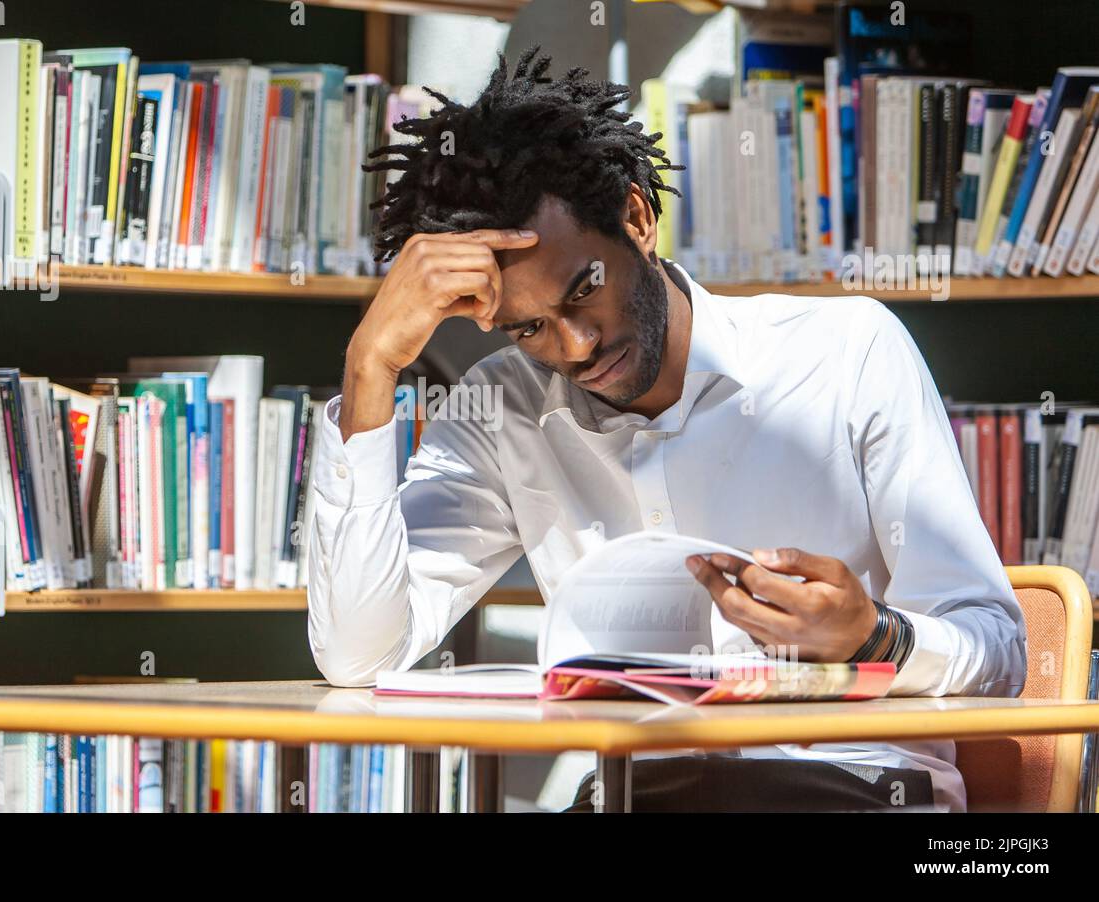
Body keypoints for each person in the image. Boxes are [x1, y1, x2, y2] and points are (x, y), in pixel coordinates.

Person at [305, 47, 1026, 812]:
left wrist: (872, 638)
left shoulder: (847, 351)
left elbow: (997, 647)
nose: (575, 347)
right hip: (636, 791)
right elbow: (361, 652)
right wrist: (369, 367)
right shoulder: (505, 409)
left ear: (638, 219)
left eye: (586, 288)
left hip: (851, 785)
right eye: (529, 329)